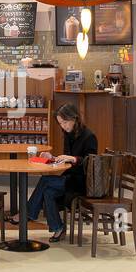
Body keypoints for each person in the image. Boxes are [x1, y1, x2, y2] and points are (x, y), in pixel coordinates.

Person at [20, 103, 97, 242]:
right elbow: (66, 161)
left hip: (83, 183)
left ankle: (28, 214)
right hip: (70, 178)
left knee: (45, 180)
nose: (63, 126)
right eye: (60, 123)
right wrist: (53, 158)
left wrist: (73, 158)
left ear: (75, 118)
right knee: (48, 192)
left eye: (65, 122)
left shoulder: (89, 136)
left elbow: (91, 163)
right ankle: (58, 228)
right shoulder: (68, 135)